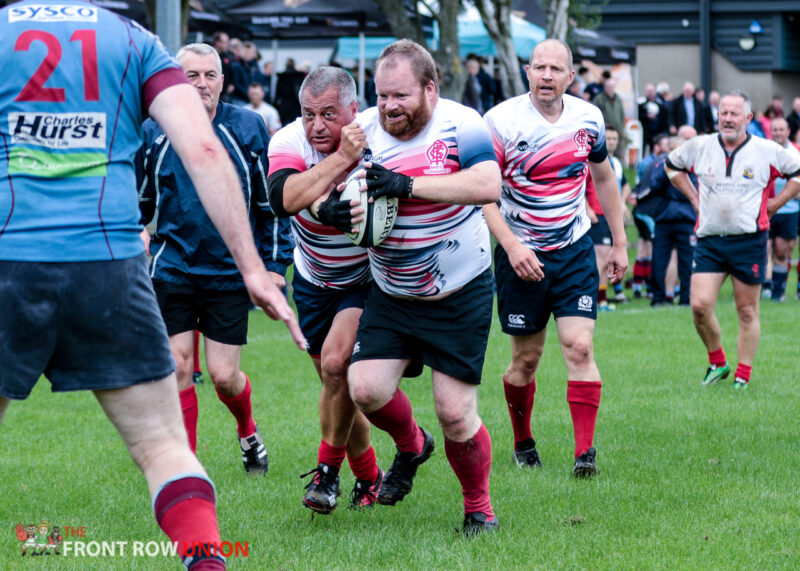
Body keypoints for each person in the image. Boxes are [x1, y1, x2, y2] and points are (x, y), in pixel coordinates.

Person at [0, 3, 304, 571]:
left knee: (214, 379)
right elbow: (203, 150)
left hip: (11, 257)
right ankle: (207, 562)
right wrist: (254, 269)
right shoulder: (133, 38)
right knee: (165, 449)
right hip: (109, 262)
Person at [343, 40, 502, 536]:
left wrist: (407, 185)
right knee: (364, 389)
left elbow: (487, 185)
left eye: (401, 96)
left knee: (456, 414)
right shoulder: (362, 132)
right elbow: (322, 180)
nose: (389, 106)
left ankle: (479, 509)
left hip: (459, 291)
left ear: (430, 89)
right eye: (382, 95)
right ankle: (413, 444)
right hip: (391, 292)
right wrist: (327, 206)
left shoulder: (462, 123)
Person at [138, 43, 293, 472]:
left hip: (230, 273)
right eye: (191, 75)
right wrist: (131, 225)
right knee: (178, 368)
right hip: (173, 268)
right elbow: (141, 200)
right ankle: (184, 466)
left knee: (224, 377)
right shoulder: (154, 131)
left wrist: (275, 266)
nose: (201, 84)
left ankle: (248, 431)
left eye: (210, 75)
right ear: (176, 79)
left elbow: (272, 205)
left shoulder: (247, 127)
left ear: (223, 80)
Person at [482, 39, 627, 478]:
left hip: (574, 248)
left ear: (569, 76)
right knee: (526, 360)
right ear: (527, 72)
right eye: (539, 68)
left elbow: (603, 177)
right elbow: (483, 194)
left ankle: (585, 454)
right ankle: (523, 442)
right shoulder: (500, 121)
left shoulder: (589, 118)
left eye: (555, 69)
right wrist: (511, 245)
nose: (546, 76)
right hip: (519, 254)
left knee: (579, 347)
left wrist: (619, 242)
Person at [266, 67, 383, 513]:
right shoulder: (288, 140)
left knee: (337, 367)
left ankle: (328, 476)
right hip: (313, 281)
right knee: (337, 387)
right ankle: (370, 476)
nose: (317, 125)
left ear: (354, 110)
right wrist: (340, 160)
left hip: (365, 280)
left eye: (329, 114)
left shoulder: (378, 133)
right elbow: (283, 198)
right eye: (309, 113)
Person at [665, 90, 800, 389]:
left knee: (747, 310)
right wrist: (693, 197)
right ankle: (718, 362)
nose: (727, 118)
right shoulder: (699, 146)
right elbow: (672, 166)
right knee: (699, 306)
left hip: (749, 240)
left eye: (734, 113)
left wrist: (776, 204)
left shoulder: (767, 150)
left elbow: (797, 173)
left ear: (748, 118)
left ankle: (743, 374)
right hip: (710, 240)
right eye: (723, 113)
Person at [585, 125, 630, 310]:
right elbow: (579, 187)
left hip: (611, 215)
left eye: (614, 139)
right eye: (608, 138)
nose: (611, 142)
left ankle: (605, 297)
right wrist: (588, 209)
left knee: (609, 256)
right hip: (597, 214)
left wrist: (622, 202)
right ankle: (598, 299)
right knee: (601, 257)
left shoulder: (616, 163)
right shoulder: (590, 161)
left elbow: (625, 185)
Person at [648, 136, 697, 306]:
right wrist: (667, 170)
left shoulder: (692, 167)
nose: (677, 154)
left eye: (680, 150)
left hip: (686, 220)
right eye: (673, 150)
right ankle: (658, 297)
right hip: (664, 220)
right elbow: (655, 187)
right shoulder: (661, 167)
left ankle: (686, 297)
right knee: (659, 260)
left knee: (687, 261)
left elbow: (693, 191)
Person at [764, 117, 800, 302]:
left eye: (781, 129)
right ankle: (763, 288)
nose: (778, 132)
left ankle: (778, 293)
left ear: (788, 132)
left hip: (789, 210)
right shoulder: (763, 150)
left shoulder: (796, 152)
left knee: (780, 250)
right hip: (766, 208)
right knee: (763, 248)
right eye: (775, 129)